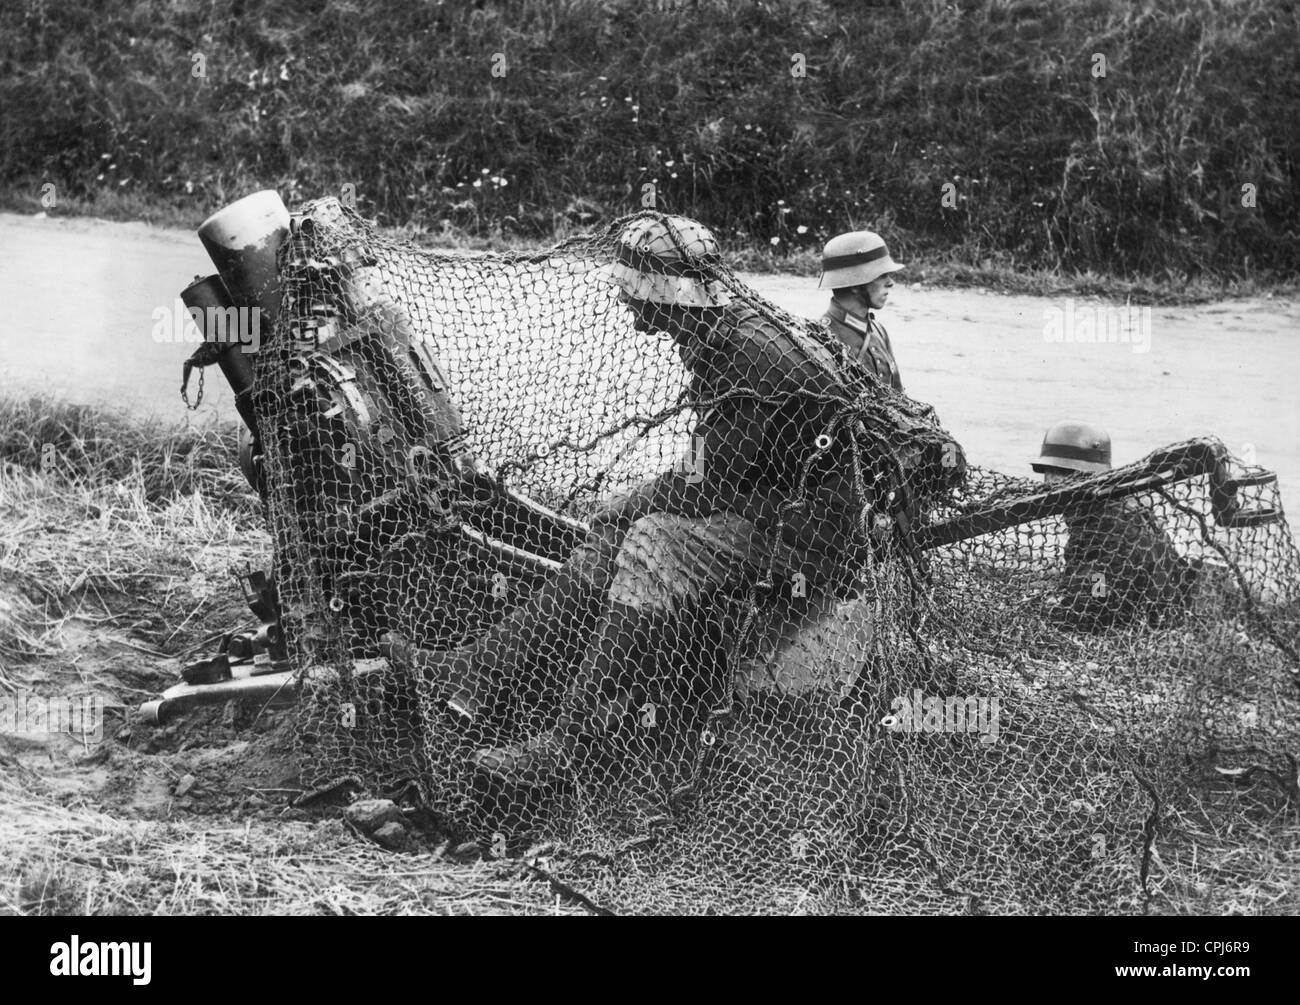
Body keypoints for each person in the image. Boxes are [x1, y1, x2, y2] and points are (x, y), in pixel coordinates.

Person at [386, 213, 962, 798]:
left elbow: (703, 484)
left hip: (818, 540)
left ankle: (568, 744)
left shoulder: (747, 355)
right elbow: (721, 471)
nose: (625, 300)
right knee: (619, 536)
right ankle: (478, 672)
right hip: (782, 508)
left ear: (664, 293)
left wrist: (629, 501)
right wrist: (632, 507)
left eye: (633, 288)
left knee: (651, 540)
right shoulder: (724, 332)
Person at [1032, 420, 1199, 630]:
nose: (1052, 482)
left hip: (1143, 620)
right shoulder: (1111, 505)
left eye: (1062, 473)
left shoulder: (1107, 525)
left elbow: (1097, 594)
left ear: (1088, 475)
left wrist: (1059, 610)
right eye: (1050, 472)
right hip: (1150, 604)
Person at [816, 231, 906, 391]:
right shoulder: (822, 337)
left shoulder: (878, 331)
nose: (890, 283)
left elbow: (898, 394)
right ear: (855, 284)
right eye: (882, 275)